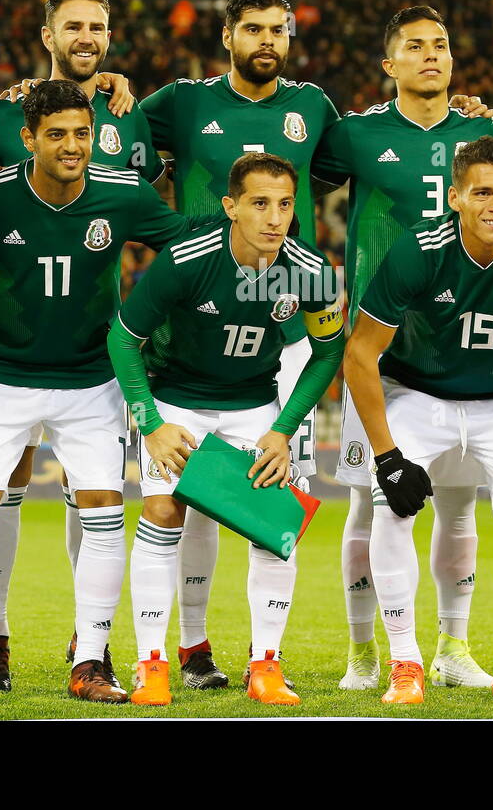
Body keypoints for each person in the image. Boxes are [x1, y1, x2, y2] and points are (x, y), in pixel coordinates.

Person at [0, 80, 210, 704]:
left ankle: (90, 662)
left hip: (92, 382)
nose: (73, 145)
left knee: (105, 516)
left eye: (81, 133)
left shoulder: (123, 194)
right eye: (56, 134)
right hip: (0, 378)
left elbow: (191, 239)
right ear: (28, 139)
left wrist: (253, 211)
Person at [0, 0, 162, 692]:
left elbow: (150, 217)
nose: (86, 37)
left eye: (97, 27)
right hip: (7, 349)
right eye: (72, 26)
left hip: (92, 355)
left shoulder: (130, 115)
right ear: (47, 37)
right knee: (0, 485)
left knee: (94, 493)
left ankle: (90, 643)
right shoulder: (1, 114)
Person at [343, 136, 493, 704]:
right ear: (455, 196)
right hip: (418, 397)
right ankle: (406, 664)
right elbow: (359, 354)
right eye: (482, 193)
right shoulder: (419, 250)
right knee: (390, 505)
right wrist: (387, 457)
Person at [312, 5, 493, 690]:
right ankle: (365, 653)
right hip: (384, 351)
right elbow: (284, 189)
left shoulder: (483, 131)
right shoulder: (355, 136)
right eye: (415, 46)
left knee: (458, 504)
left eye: (442, 44)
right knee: (373, 501)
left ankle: (454, 647)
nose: (432, 55)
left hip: (469, 349)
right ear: (389, 64)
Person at [107, 151, 344, 706]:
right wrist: (153, 424)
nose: (274, 218)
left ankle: (265, 665)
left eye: (285, 205)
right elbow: (123, 337)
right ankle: (151, 664)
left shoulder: (309, 272)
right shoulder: (187, 258)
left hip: (254, 406)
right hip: (176, 403)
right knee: (164, 511)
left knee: (275, 521)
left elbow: (329, 351)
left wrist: (284, 429)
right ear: (230, 206)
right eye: (259, 204)